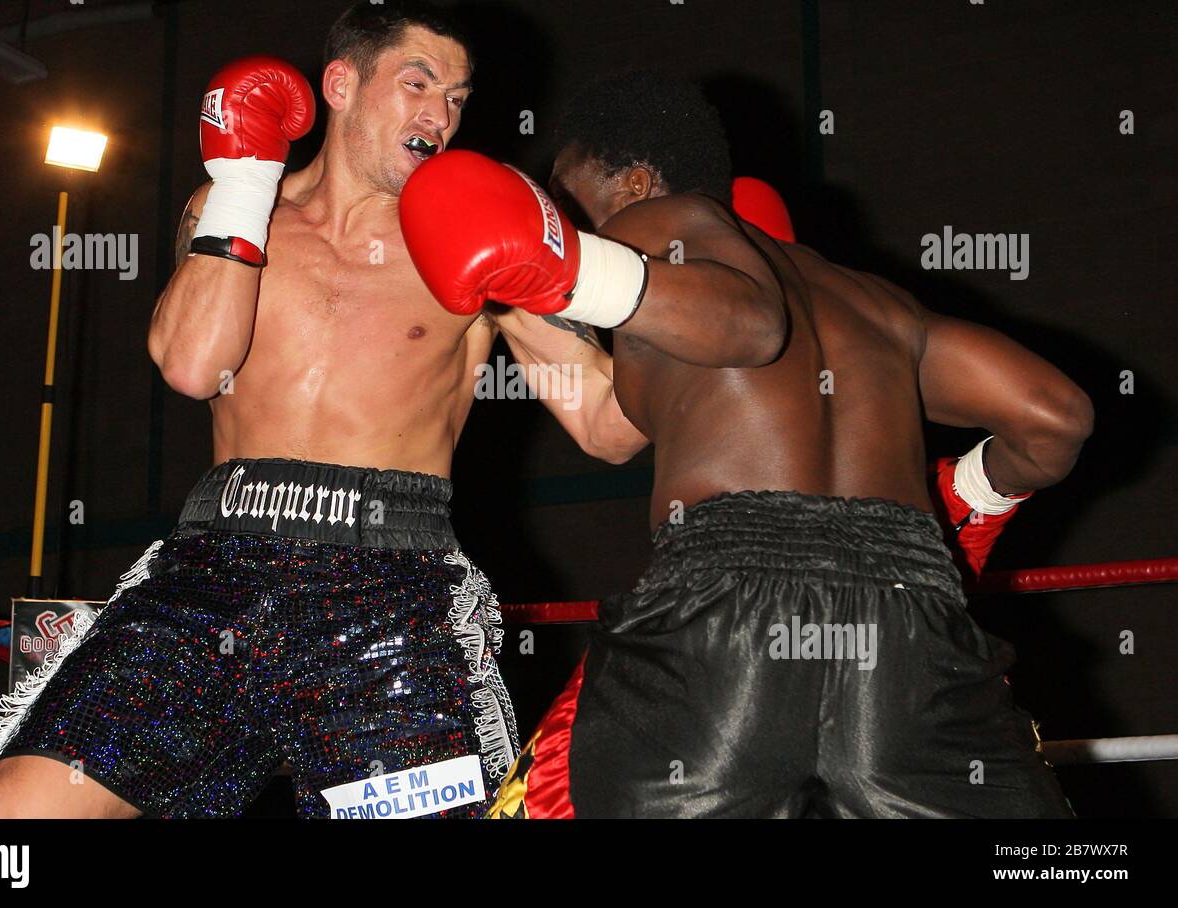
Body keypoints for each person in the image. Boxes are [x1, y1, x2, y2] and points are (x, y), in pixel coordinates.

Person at [0, 0, 645, 820]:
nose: (440, 115)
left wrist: (635, 293)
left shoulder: (475, 234)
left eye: (457, 98)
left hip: (389, 597)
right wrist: (244, 180)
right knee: (8, 820)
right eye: (418, 83)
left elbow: (607, 427)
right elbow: (189, 365)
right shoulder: (240, 207)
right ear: (341, 84)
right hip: (209, 578)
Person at [403, 70, 1092, 818]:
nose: (557, 214)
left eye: (567, 197)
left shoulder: (653, 223)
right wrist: (972, 495)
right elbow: (1055, 416)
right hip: (911, 622)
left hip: (728, 613)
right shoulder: (876, 303)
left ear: (634, 183)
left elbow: (752, 327)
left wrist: (567, 268)